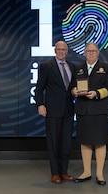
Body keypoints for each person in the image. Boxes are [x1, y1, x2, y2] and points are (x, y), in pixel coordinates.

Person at [71, 42, 108, 185]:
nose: (90, 53)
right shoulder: (78, 68)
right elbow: (72, 86)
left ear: (98, 53)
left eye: (93, 51)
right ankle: (86, 172)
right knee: (85, 141)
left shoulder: (106, 68)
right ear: (84, 53)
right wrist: (74, 91)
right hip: (83, 110)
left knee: (100, 141)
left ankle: (100, 174)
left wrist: (96, 93)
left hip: (100, 110)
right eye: (88, 51)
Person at [34, 41, 76, 184]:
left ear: (67, 51)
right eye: (59, 49)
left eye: (64, 49)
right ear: (55, 50)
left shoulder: (72, 66)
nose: (61, 52)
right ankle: (55, 173)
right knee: (53, 142)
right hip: (52, 110)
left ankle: (64, 171)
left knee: (66, 142)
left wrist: (76, 91)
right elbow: (39, 88)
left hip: (68, 110)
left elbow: (72, 87)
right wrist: (40, 104)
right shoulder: (46, 66)